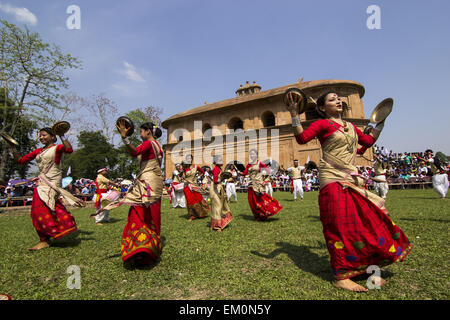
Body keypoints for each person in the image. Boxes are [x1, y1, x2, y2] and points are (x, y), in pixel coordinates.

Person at [286, 91, 412, 292]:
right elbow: (302, 138)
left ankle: (366, 269)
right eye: (331, 99)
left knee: (363, 224)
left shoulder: (351, 127)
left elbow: (368, 142)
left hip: (353, 179)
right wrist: (294, 113)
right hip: (333, 180)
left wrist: (380, 123)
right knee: (339, 226)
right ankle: (341, 276)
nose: (337, 101)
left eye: (338, 98)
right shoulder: (322, 124)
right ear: (321, 107)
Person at [92, 122, 164, 266]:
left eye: (142, 131)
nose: (140, 134)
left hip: (146, 183)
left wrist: (125, 138)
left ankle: (141, 249)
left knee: (138, 212)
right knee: (151, 213)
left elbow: (133, 152)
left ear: (149, 132)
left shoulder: (149, 144)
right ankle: (151, 247)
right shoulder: (159, 147)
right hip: (154, 183)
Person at [8, 127, 84, 250]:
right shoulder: (38, 151)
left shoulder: (57, 148)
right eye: (40, 136)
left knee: (41, 209)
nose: (42, 138)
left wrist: (62, 135)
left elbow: (69, 149)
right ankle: (47, 238)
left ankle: (46, 239)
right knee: (37, 211)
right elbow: (20, 161)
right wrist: (13, 147)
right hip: (41, 183)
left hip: (52, 183)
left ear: (53, 137)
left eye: (44, 135)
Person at [241, 148, 283, 221]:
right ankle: (257, 216)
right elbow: (244, 173)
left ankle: (266, 213)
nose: (252, 155)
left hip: (259, 185)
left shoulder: (260, 163)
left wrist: (265, 181)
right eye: (250, 154)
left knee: (263, 200)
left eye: (253, 154)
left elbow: (268, 172)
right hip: (252, 185)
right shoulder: (248, 165)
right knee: (253, 202)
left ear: (256, 155)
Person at [180, 155, 210, 221]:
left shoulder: (196, 166)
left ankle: (201, 213)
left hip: (194, 185)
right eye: (187, 158)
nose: (189, 159)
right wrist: (182, 173)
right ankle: (192, 216)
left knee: (198, 198)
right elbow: (183, 176)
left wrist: (198, 177)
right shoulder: (185, 167)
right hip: (187, 185)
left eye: (190, 158)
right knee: (189, 200)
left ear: (192, 159)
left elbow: (203, 172)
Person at [209, 155, 233, 232]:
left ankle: (216, 223)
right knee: (217, 206)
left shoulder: (219, 168)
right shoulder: (216, 169)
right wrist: (223, 178)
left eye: (221, 159)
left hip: (219, 188)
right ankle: (217, 226)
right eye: (219, 160)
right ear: (215, 162)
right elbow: (216, 181)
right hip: (215, 188)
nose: (221, 161)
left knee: (220, 205)